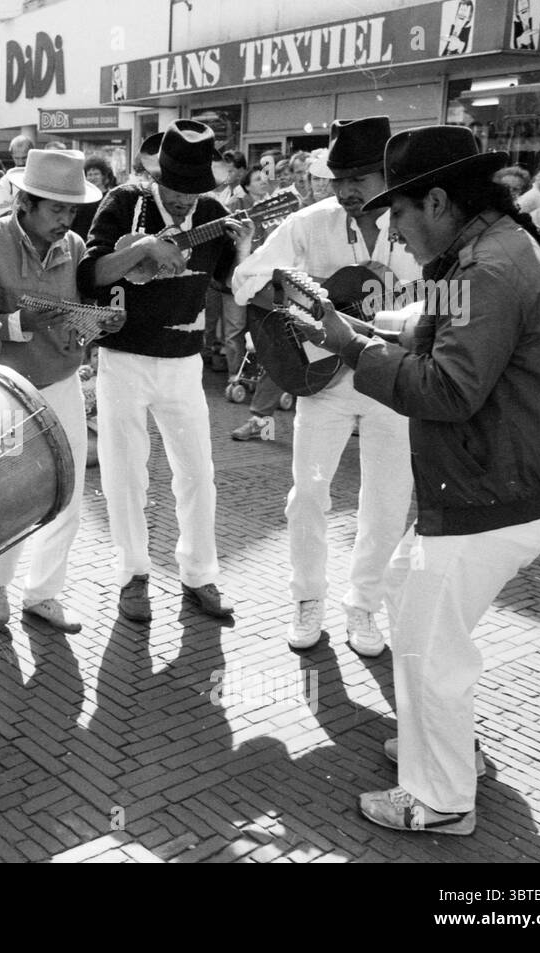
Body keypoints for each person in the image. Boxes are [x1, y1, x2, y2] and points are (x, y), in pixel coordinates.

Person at [287, 125, 540, 835]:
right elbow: (436, 318)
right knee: (403, 595)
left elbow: (448, 390)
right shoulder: (485, 249)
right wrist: (368, 322)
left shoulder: (486, 269)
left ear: (442, 202)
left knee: (425, 646)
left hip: (500, 495)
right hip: (505, 485)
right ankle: (441, 745)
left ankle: (443, 797)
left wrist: (354, 346)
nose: (388, 225)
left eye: (398, 210)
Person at [231, 117, 422, 657]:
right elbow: (246, 278)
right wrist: (286, 299)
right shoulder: (310, 223)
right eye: (337, 178)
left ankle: (362, 603)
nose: (345, 191)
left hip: (395, 380)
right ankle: (306, 597)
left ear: (386, 173)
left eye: (358, 178)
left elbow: (452, 298)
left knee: (387, 500)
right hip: (325, 378)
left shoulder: (421, 226)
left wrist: (402, 316)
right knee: (309, 495)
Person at [77, 120, 251, 623]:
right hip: (124, 358)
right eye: (175, 190)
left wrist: (242, 247)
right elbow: (91, 275)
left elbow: (230, 285)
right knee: (124, 473)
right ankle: (133, 574)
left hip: (183, 363)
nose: (183, 201)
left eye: (194, 191)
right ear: (158, 175)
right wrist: (145, 248)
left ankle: (200, 574)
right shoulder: (123, 203)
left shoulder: (215, 214)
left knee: (198, 473)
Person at [0, 149, 101, 634]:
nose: (66, 220)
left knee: (67, 492)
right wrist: (19, 324)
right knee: (12, 494)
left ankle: (43, 593)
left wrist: (91, 328)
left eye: (72, 210)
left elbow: (81, 313)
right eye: (56, 209)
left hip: (61, 380)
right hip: (2, 388)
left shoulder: (77, 247)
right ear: (25, 202)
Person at [71, 156, 115, 240]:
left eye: (96, 174)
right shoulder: (81, 198)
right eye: (89, 174)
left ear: (104, 176)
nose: (92, 178)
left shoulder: (112, 197)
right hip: (81, 240)